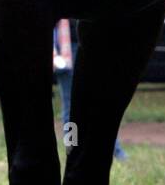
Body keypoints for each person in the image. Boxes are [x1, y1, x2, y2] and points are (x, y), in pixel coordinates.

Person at [54, 18, 127, 161]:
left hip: (90, 44)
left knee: (101, 102)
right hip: (67, 49)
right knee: (70, 106)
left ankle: (113, 149)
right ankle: (72, 150)